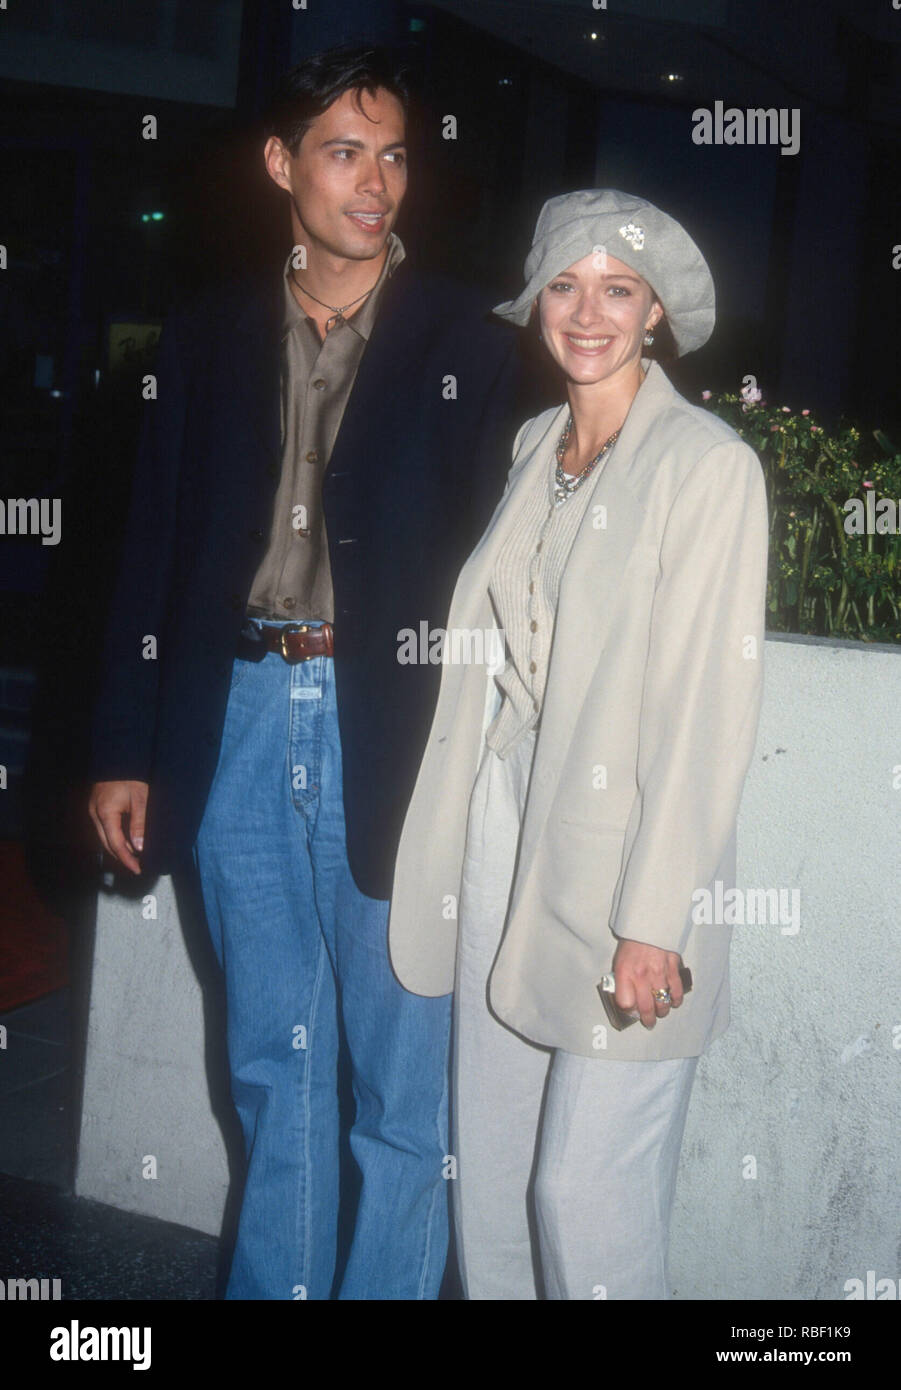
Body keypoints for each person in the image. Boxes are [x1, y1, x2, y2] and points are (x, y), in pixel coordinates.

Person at [87, 46, 529, 1301]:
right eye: (345, 151)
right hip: (228, 715)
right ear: (283, 164)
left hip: (393, 731)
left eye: (394, 154)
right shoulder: (208, 332)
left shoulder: (473, 338)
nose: (376, 181)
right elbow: (154, 552)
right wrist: (124, 742)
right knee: (274, 1067)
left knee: (399, 1082)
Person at [389, 188, 770, 1300]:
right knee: (494, 1179)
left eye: (617, 287)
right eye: (564, 283)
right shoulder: (529, 443)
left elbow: (706, 713)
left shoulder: (706, 467)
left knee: (582, 1193)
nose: (587, 310)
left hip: (627, 860)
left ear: (654, 310)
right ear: (537, 300)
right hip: (503, 832)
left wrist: (653, 921)